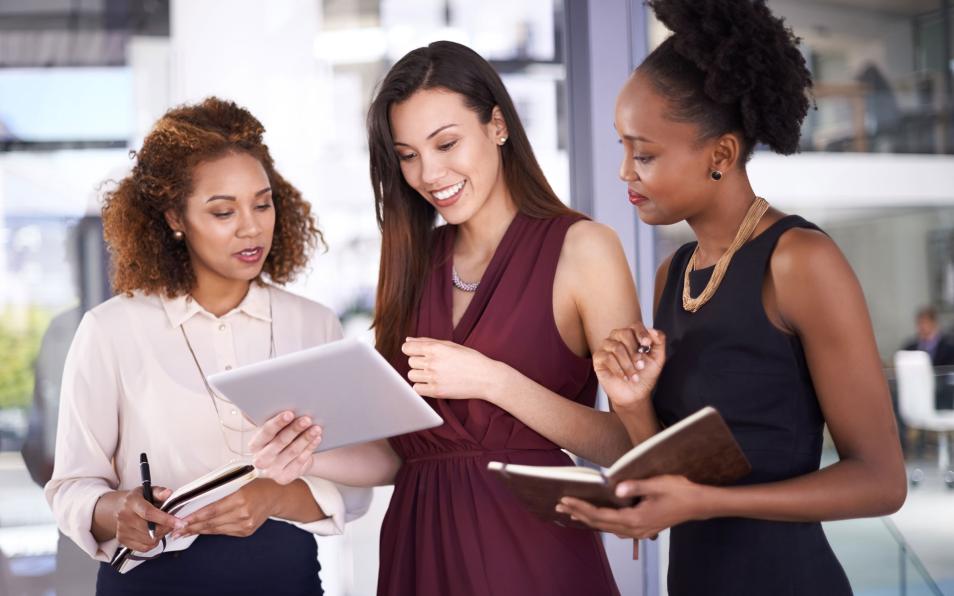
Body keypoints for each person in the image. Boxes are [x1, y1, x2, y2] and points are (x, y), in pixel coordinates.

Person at [249, 41, 648, 595]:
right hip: (418, 544)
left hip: (532, 551)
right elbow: (400, 454)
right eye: (408, 155)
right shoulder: (415, 260)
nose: (428, 173)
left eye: (446, 143)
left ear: (499, 125)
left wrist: (492, 381)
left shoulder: (584, 249)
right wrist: (311, 451)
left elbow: (630, 444)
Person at [556, 1, 908, 595]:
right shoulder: (675, 273)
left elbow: (881, 482)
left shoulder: (799, 262)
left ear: (719, 155)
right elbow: (673, 478)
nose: (625, 173)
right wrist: (635, 403)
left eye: (643, 154)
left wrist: (703, 501)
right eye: (622, 148)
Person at [44, 97, 371, 596]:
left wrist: (271, 498)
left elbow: (355, 481)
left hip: (284, 581)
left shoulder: (312, 325)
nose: (252, 226)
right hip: (153, 583)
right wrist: (118, 512)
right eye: (223, 211)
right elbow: (72, 485)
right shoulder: (112, 330)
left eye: (263, 203)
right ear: (175, 217)